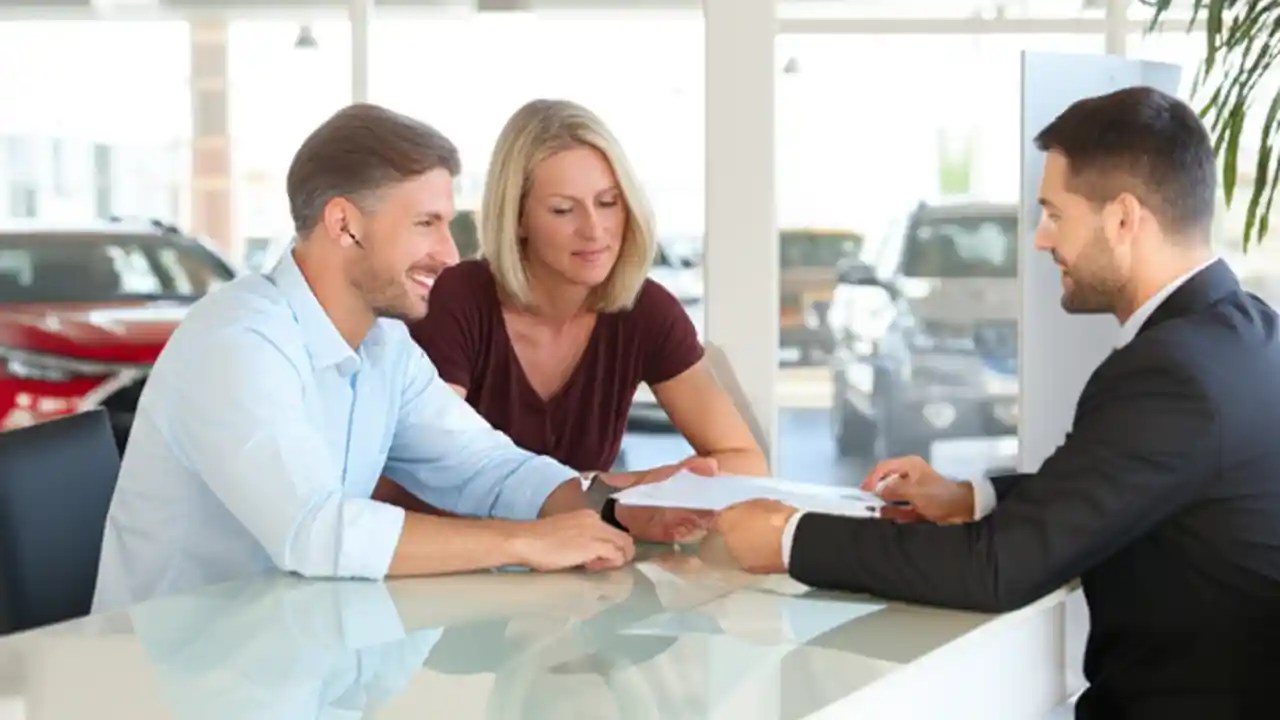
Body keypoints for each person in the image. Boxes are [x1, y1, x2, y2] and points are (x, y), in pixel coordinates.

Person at [713, 86, 1280, 718]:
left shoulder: (1170, 371)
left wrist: (788, 538)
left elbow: (999, 569)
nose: (1041, 240)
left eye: (1055, 214)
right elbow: (1129, 477)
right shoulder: (1245, 331)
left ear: (1123, 219)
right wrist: (969, 497)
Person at [93, 103, 710, 613]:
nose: (449, 253)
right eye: (426, 224)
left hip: (296, 659)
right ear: (345, 224)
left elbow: (488, 467)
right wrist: (528, 541)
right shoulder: (237, 343)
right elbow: (314, 531)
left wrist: (612, 504)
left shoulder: (384, 347)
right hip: (176, 683)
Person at [376, 98, 767, 530]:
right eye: (563, 209)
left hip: (579, 573)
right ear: (518, 217)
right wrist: (614, 492)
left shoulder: (645, 311)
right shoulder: (458, 300)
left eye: (608, 202)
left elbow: (745, 463)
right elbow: (415, 479)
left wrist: (658, 491)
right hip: (456, 571)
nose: (594, 229)